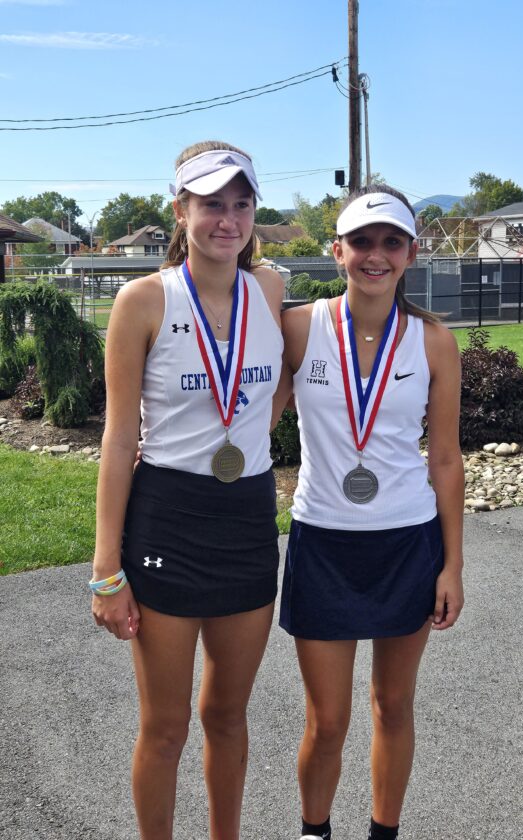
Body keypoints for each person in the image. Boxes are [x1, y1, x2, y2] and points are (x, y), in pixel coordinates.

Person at [90, 140, 284, 840]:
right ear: (180, 210)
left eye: (241, 204)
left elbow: (280, 383)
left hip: (248, 522)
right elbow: (117, 441)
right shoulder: (142, 301)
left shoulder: (271, 289)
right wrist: (105, 571)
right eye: (210, 205)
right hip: (167, 520)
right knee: (167, 726)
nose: (226, 220)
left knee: (228, 716)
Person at [277, 185, 465, 840]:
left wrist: (453, 567)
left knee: (392, 707)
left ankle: (384, 833)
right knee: (327, 721)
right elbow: (247, 416)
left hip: (407, 547)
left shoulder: (434, 341)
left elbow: (444, 460)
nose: (375, 256)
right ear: (338, 251)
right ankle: (315, 832)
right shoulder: (299, 327)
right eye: (361, 242)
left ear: (411, 253)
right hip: (324, 543)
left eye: (390, 243)